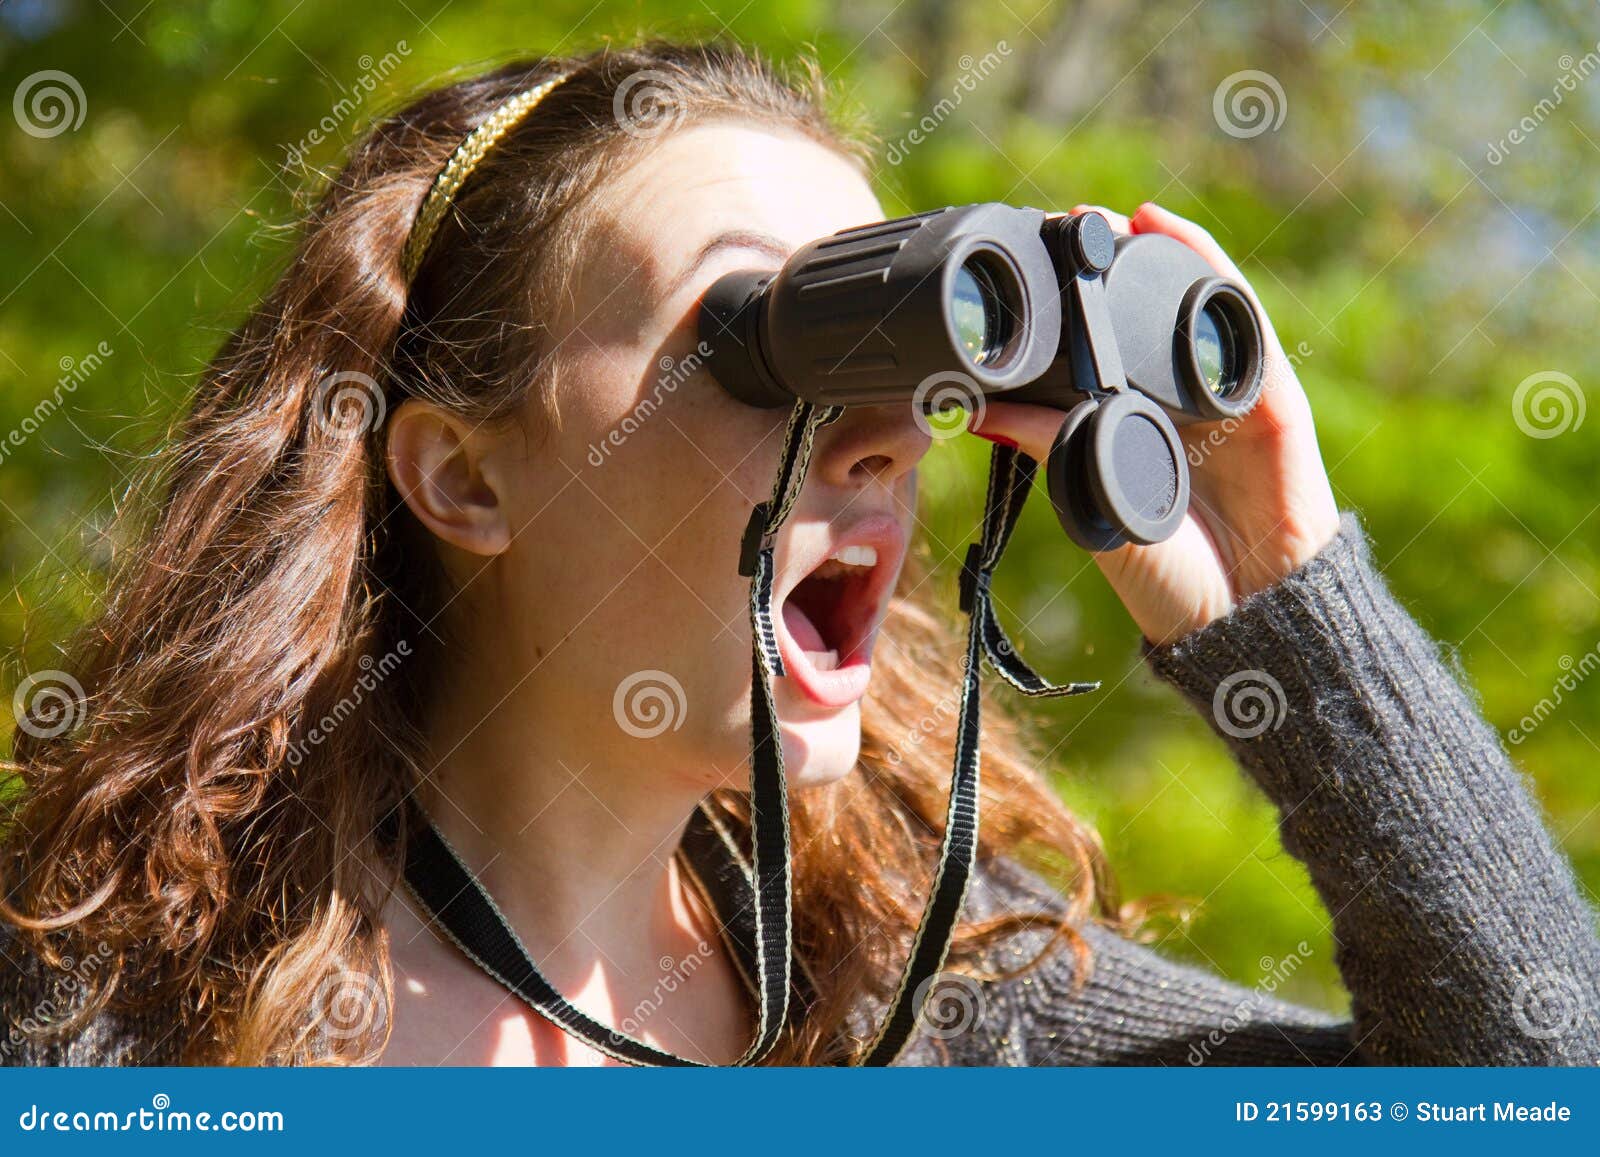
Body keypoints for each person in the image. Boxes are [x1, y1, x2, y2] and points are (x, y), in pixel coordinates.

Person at [3, 40, 1596, 1067]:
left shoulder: (935, 1003)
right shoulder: (113, 1022)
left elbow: (1537, 1073)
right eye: (755, 337)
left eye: (903, 348)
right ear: (462, 475)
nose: (884, 436)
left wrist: (1285, 591)